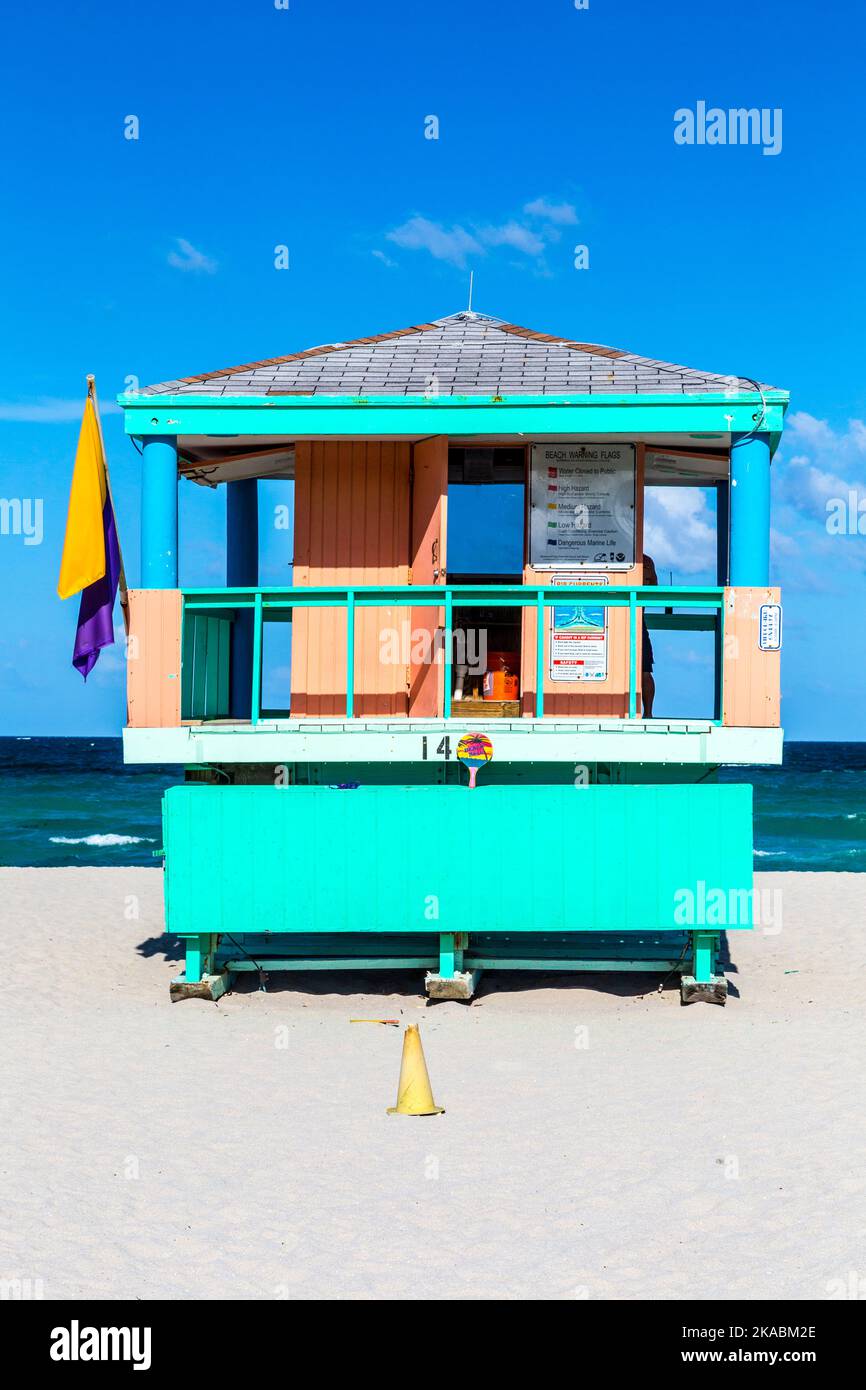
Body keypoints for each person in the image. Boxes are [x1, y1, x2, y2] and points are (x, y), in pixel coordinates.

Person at [642, 554, 658, 718]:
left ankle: (648, 714)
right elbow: (654, 588)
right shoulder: (645, 561)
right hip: (638, 619)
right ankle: (648, 715)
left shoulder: (646, 561)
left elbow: (653, 587)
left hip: (636, 619)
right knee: (645, 671)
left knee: (645, 671)